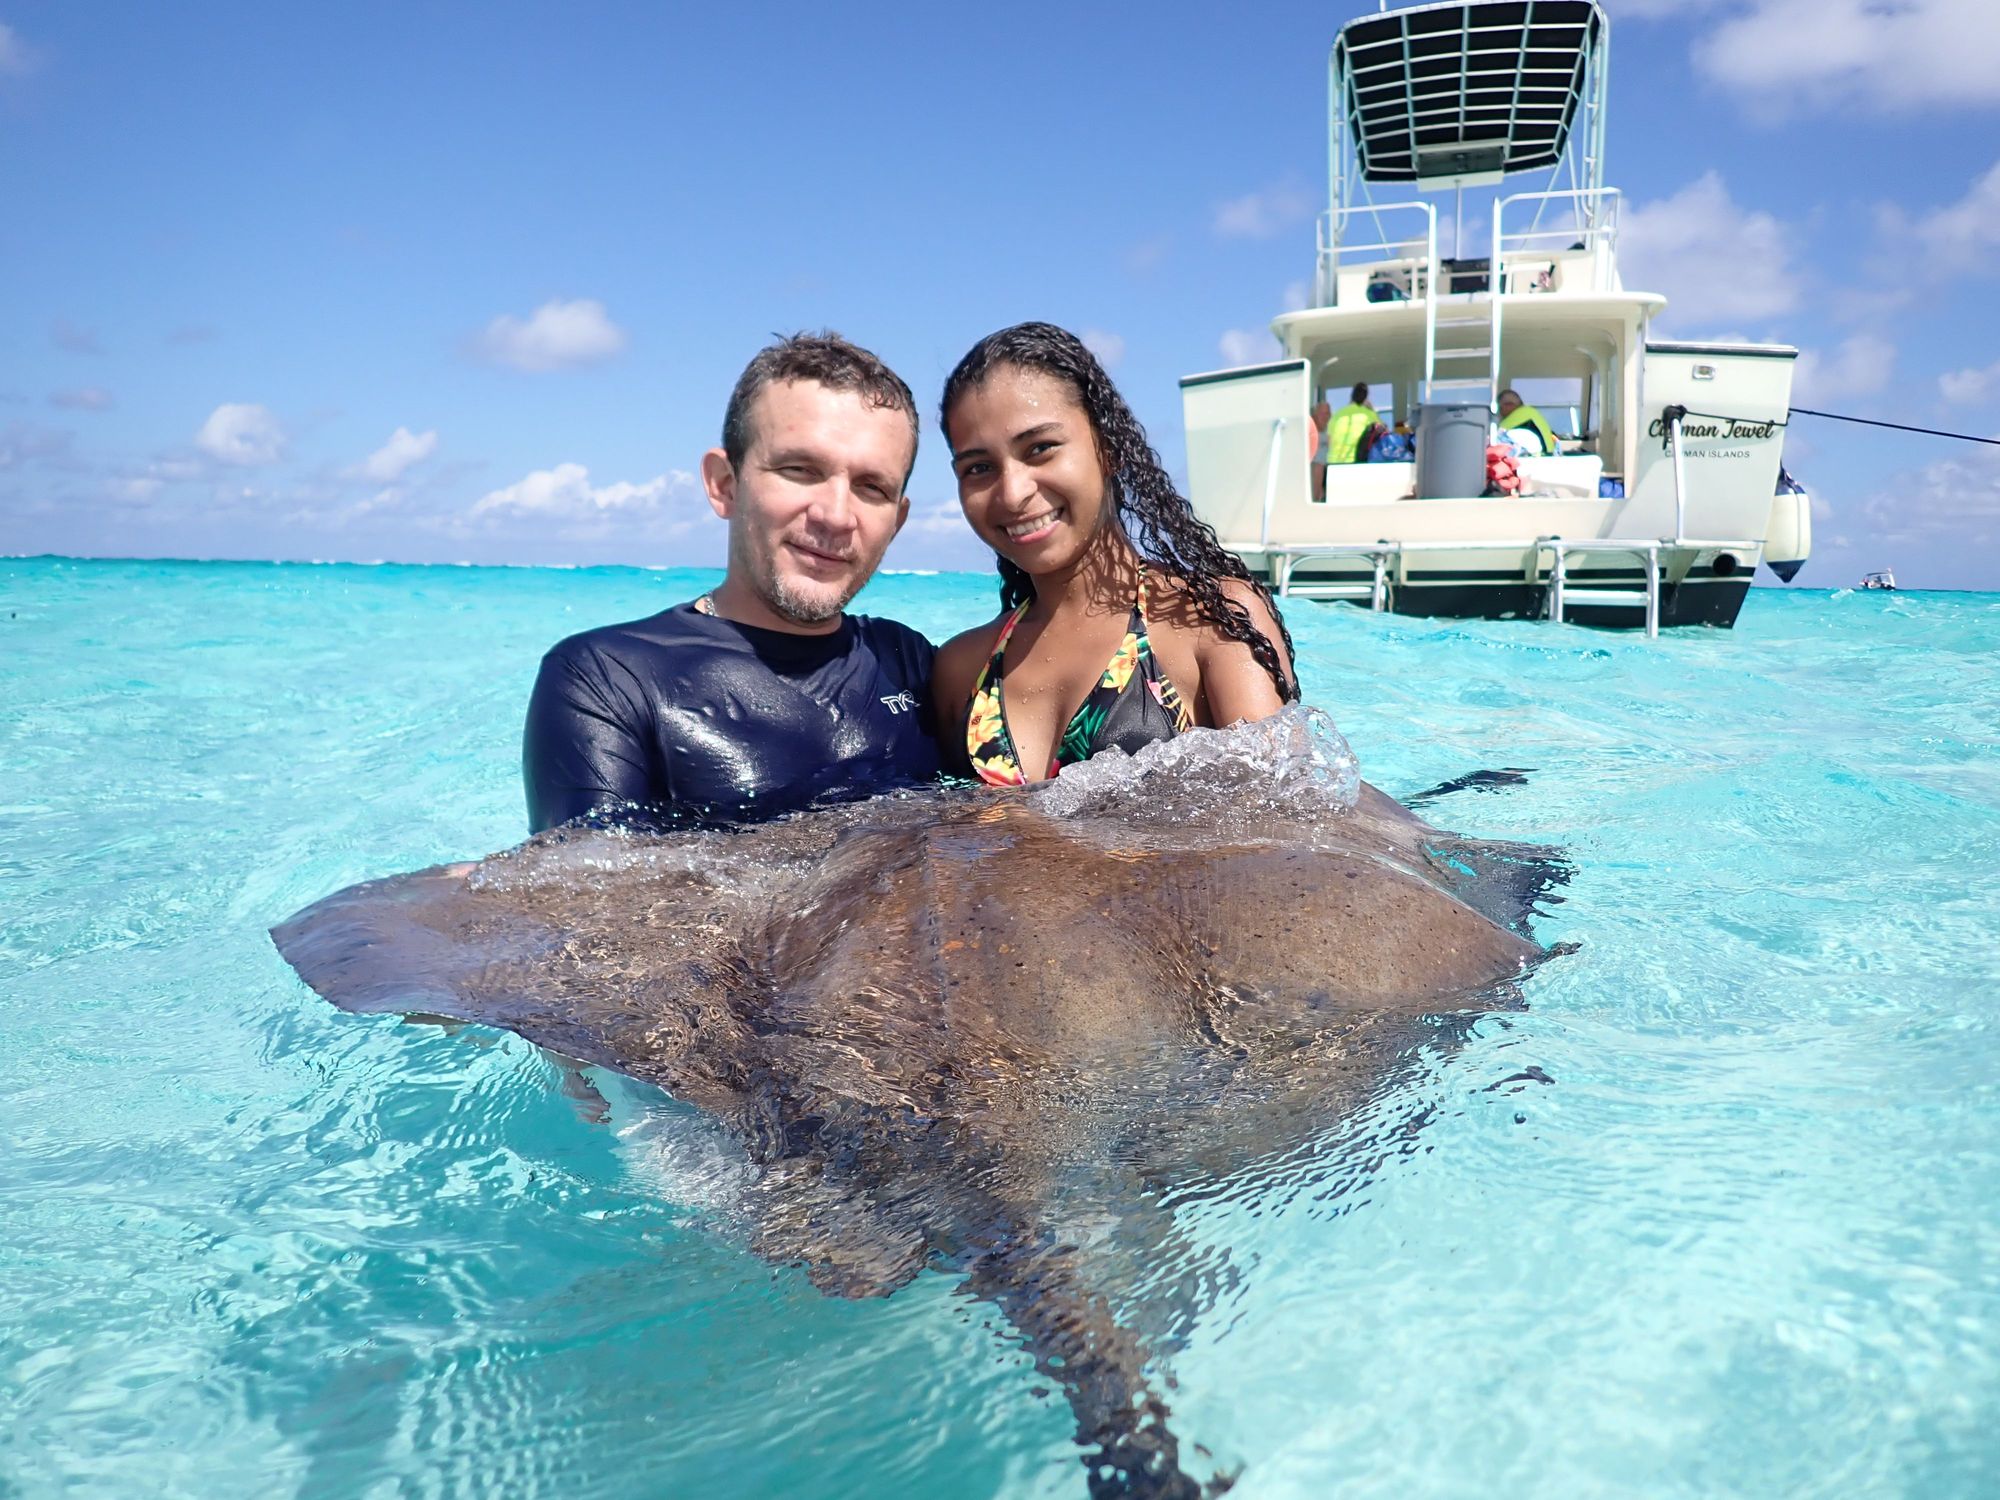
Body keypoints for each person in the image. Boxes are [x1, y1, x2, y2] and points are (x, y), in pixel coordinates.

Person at [522, 332, 939, 832]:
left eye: (872, 487)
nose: (835, 515)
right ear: (725, 484)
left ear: (896, 521)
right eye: (800, 470)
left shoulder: (908, 662)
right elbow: (588, 900)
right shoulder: (607, 679)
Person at [931, 322, 1298, 787]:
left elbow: (1284, 829)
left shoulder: (1209, 619)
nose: (1012, 492)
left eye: (1040, 449)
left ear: (1108, 446)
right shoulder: (961, 668)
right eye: (979, 468)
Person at [1323, 382, 1387, 465]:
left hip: (1333, 464)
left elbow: (1329, 442)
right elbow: (1384, 436)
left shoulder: (1337, 415)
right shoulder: (1369, 415)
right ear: (1366, 398)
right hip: (1357, 463)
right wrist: (1371, 408)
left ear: (1351, 396)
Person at [1497, 389, 1558, 456]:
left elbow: (1498, 436)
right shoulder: (1532, 412)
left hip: (1536, 459)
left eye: (1501, 407)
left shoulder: (1518, 417)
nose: (1500, 411)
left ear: (1508, 405)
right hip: (1550, 456)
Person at [1309, 395, 1332, 501]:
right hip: (1315, 490)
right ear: (1314, 415)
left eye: (1328, 413)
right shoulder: (1311, 436)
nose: (1326, 416)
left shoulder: (1328, 434)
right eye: (1322, 413)